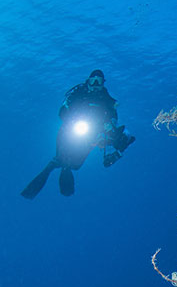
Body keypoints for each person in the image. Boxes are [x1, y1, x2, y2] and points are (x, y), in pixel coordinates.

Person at [21, 69, 135, 199]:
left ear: (103, 84)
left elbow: (113, 115)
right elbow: (62, 111)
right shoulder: (78, 93)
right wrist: (71, 118)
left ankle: (64, 167)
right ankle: (54, 166)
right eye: (93, 81)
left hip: (91, 133)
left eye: (99, 82)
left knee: (75, 165)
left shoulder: (106, 98)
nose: (95, 84)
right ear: (88, 81)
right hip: (70, 129)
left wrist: (111, 125)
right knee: (61, 157)